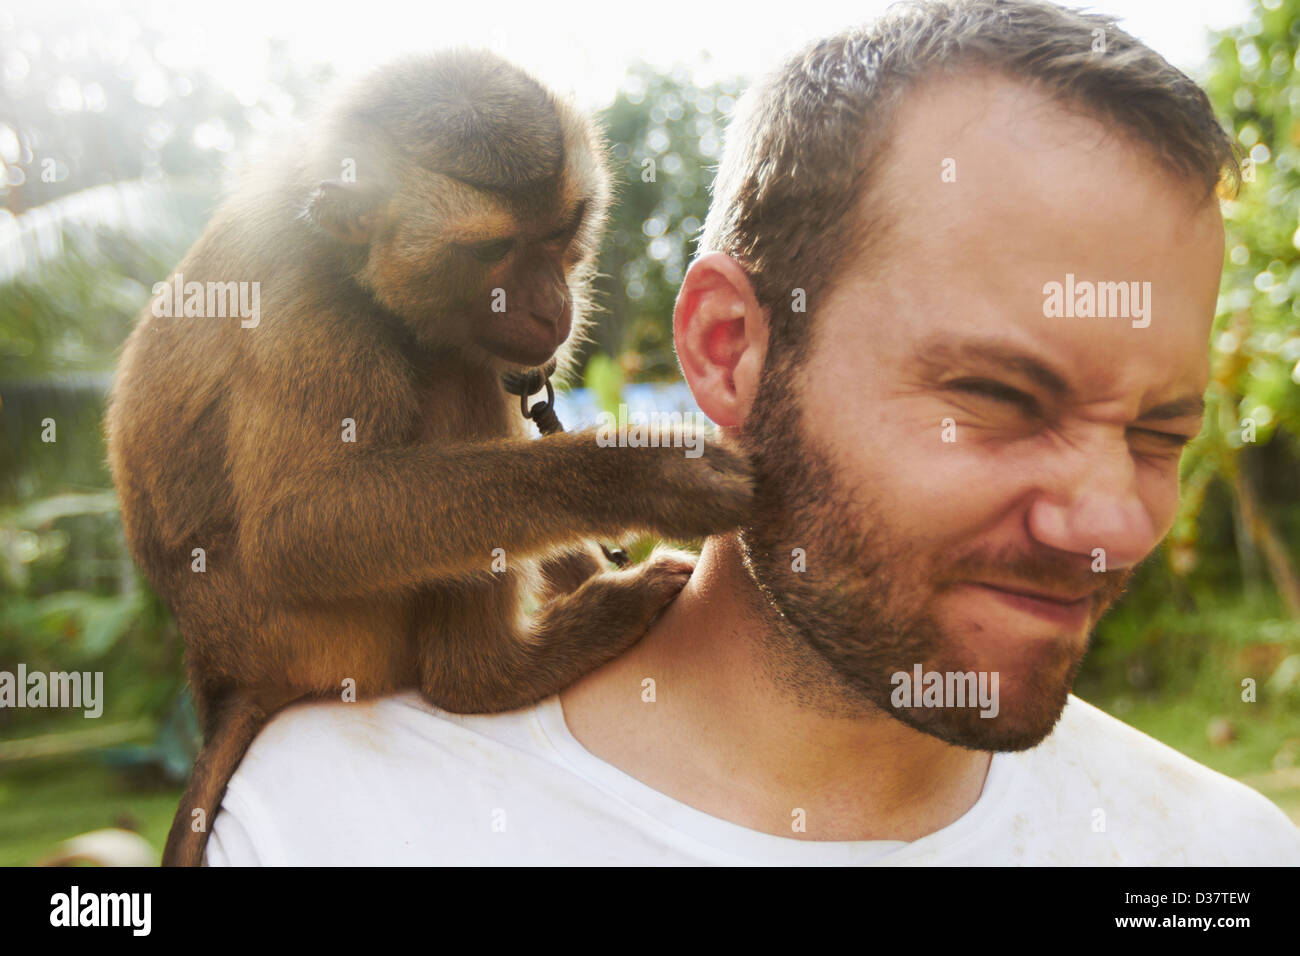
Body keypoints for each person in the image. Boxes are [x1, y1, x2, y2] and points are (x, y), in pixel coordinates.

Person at [206, 0, 1300, 865]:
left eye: (1160, 433)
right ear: (727, 348)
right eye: (996, 399)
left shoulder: (1218, 855)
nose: (1110, 521)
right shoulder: (317, 824)